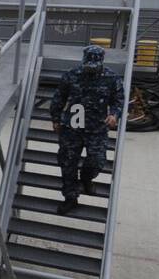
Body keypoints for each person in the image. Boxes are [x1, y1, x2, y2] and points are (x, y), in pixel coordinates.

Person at [48, 45, 125, 215]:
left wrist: (114, 114)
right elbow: (59, 98)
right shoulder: (71, 75)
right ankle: (70, 197)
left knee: (97, 161)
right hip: (74, 124)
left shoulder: (112, 78)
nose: (90, 70)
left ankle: (86, 178)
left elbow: (118, 101)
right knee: (68, 163)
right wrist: (55, 119)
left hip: (97, 127)